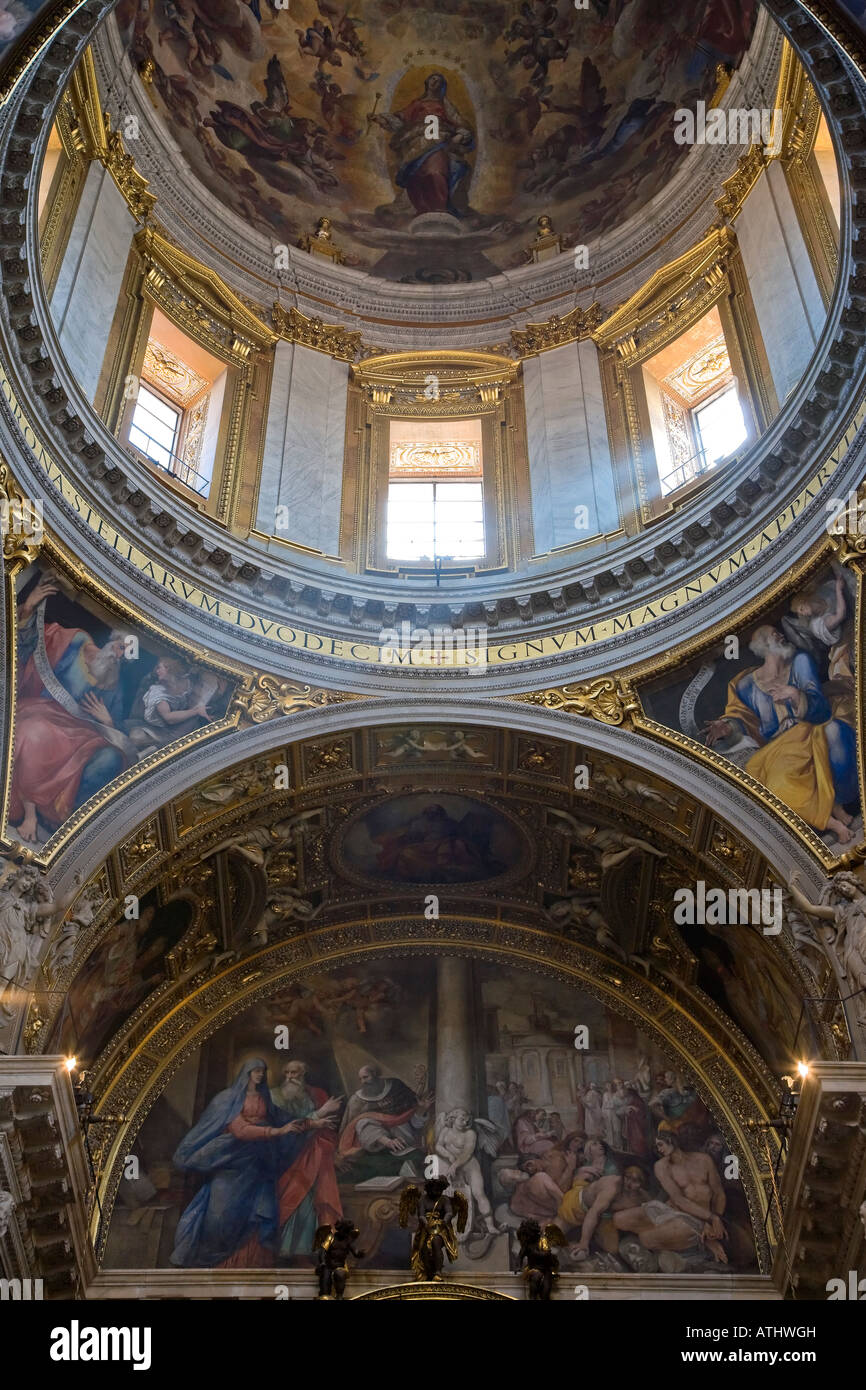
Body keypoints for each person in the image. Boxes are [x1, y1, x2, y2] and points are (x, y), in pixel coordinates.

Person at [703, 624, 857, 843]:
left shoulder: (800, 663)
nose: (782, 636)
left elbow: (820, 707)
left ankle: (837, 807)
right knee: (774, 785)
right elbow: (741, 718)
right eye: (776, 635)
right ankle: (833, 821)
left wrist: (795, 695)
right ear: (765, 645)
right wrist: (728, 727)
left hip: (810, 727)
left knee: (829, 736)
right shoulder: (744, 684)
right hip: (780, 746)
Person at [10, 589, 136, 840]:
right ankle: (29, 815)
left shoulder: (113, 682)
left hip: (79, 729)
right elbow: (29, 643)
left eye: (125, 655)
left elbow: (117, 722)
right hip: (39, 708)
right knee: (33, 730)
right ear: (113, 639)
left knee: (112, 757)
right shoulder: (75, 640)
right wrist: (27, 611)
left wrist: (108, 720)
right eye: (120, 647)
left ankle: (58, 821)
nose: (118, 655)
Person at [170, 1059, 304, 1268]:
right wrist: (275, 1131)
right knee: (219, 1216)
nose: (260, 1075)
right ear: (246, 1073)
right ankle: (210, 1261)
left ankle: (247, 1263)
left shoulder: (264, 1099)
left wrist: (316, 1120)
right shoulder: (227, 1099)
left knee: (256, 1213)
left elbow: (286, 1120)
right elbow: (240, 1130)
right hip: (229, 1162)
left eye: (263, 1071)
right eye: (256, 1071)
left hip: (256, 1164)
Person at [612, 1132, 727, 1266]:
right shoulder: (661, 1166)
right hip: (670, 1210)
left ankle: (691, 1243)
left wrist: (712, 1220)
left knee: (646, 1239)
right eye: (656, 1147)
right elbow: (679, 1200)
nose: (659, 1149)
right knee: (619, 1219)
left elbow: (719, 1194)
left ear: (671, 1141)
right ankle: (673, 1240)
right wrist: (713, 1218)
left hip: (695, 1220)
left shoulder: (704, 1160)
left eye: (660, 1144)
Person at [269, 1060, 343, 1259]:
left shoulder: (316, 1094)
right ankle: (283, 1250)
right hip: (285, 1156)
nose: (291, 1077)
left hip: (313, 1156)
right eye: (288, 1073)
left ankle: (303, 1252)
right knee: (290, 1199)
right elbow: (284, 1125)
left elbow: (328, 1127)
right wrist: (319, 1115)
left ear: (303, 1075)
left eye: (296, 1073)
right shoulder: (274, 1096)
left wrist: (331, 1147)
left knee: (308, 1203)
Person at [372, 73, 474, 217]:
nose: (435, 82)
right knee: (416, 176)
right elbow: (400, 121)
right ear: (427, 81)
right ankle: (423, 210)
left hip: (439, 141)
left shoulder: (445, 104)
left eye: (439, 81)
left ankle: (440, 210)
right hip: (416, 144)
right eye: (433, 78)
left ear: (442, 86)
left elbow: (459, 122)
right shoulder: (417, 104)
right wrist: (381, 119)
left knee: (436, 172)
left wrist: (461, 135)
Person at [337, 1063, 431, 1168]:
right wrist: (386, 1141)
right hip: (374, 1142)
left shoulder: (395, 1086)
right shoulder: (357, 1100)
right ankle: (388, 1142)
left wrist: (421, 1108)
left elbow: (411, 1108)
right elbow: (351, 1126)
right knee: (362, 1122)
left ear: (375, 1074)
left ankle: (397, 1146)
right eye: (361, 1079)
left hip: (402, 1134)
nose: (363, 1082)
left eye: (366, 1077)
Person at [556, 1138, 622, 1259]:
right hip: (576, 1202)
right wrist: (582, 1170)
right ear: (588, 1149)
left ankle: (584, 1241)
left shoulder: (611, 1169)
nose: (600, 1145)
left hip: (600, 1210)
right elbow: (572, 1183)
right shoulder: (585, 1165)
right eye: (595, 1144)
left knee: (612, 1248)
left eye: (601, 1143)